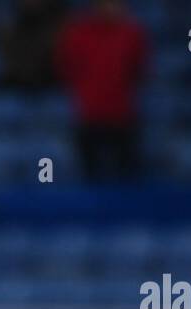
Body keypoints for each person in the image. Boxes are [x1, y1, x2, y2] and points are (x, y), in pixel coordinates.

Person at [56, 0, 148, 181]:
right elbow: (66, 67)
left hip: (123, 115)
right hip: (89, 115)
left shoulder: (132, 33)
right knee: (90, 175)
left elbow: (140, 70)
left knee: (127, 176)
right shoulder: (78, 33)